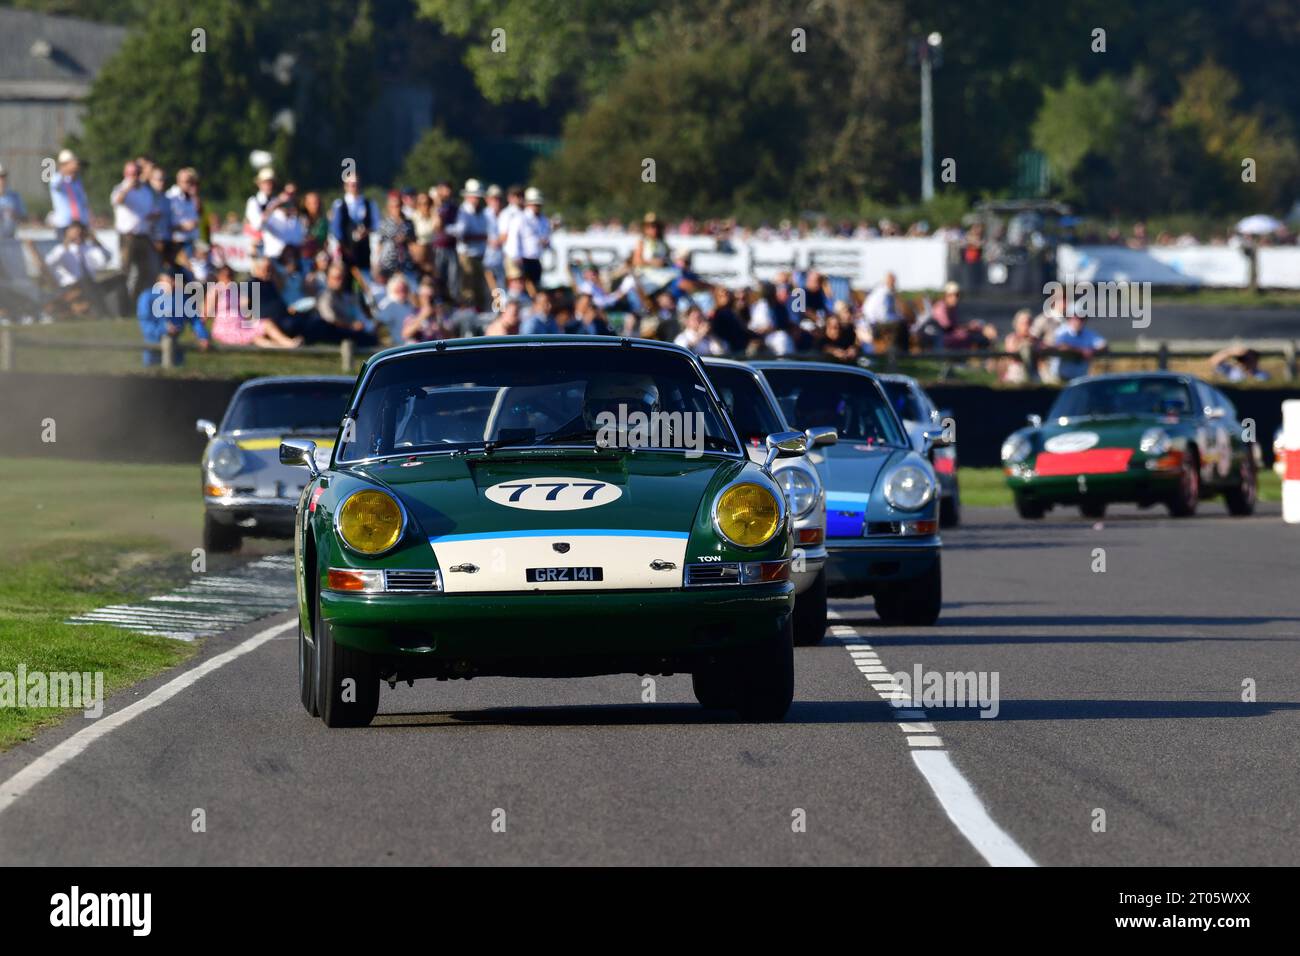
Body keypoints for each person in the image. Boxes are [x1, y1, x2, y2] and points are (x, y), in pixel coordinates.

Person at [206, 264, 301, 349]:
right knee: (256, 339)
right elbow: (206, 312)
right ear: (219, 276)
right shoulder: (215, 290)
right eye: (226, 276)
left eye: (230, 275)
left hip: (241, 324)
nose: (229, 278)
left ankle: (287, 344)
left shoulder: (237, 289)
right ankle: (285, 346)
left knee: (266, 323)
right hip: (226, 328)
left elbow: (245, 309)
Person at [137, 270, 210, 366]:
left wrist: (202, 336)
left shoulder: (182, 298)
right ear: (159, 280)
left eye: (174, 280)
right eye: (169, 280)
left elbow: (195, 319)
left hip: (176, 346)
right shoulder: (147, 297)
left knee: (176, 375)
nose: (173, 283)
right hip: (153, 346)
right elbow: (145, 323)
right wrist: (164, 329)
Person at [111, 160, 158, 304]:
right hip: (128, 236)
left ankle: (137, 301)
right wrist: (127, 188)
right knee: (126, 271)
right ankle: (123, 303)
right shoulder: (120, 188)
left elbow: (149, 211)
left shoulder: (145, 191)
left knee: (145, 271)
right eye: (132, 174)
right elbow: (117, 200)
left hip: (143, 235)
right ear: (126, 174)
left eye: (137, 174)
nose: (135, 177)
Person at [40, 221, 110, 317]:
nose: (78, 236)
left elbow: (106, 258)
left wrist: (95, 240)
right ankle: (97, 311)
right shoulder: (61, 249)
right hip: (69, 286)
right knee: (84, 284)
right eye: (75, 233)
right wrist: (66, 243)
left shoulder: (89, 248)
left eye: (80, 233)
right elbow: (49, 263)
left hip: (89, 284)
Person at [448, 179, 489, 311]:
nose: (477, 199)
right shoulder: (463, 211)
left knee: (479, 286)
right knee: (468, 287)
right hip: (466, 254)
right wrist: (479, 237)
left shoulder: (481, 212)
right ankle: (469, 311)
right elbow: (462, 234)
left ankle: (479, 310)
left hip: (479, 254)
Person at [315, 262, 377, 345]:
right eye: (337, 278)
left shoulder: (345, 296)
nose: (340, 281)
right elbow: (330, 319)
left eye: (342, 278)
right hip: (334, 332)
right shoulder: (325, 297)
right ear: (328, 279)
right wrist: (351, 325)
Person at [330, 173, 378, 273]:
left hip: (364, 251)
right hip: (346, 252)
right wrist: (344, 248)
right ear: (345, 186)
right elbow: (335, 230)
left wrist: (365, 232)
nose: (354, 187)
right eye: (351, 184)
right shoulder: (339, 205)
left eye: (357, 184)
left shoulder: (369, 203)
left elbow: (375, 225)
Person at [505, 187, 550, 293]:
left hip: (535, 258)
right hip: (522, 259)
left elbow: (546, 238)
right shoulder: (520, 218)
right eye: (534, 204)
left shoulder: (543, 220)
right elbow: (513, 239)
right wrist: (516, 256)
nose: (536, 207)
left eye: (538, 204)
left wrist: (546, 243)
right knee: (520, 288)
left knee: (536, 285)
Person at [1051, 312, 1107, 382]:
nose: (1078, 321)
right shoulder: (1061, 331)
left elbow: (1104, 346)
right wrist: (1082, 351)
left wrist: (1092, 351)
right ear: (1069, 319)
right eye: (1075, 319)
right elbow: (1061, 346)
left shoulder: (1089, 333)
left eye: (1082, 319)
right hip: (1060, 377)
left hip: (1080, 378)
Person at [48, 150, 90, 238]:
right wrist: (65, 170)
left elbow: (83, 201)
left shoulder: (77, 181)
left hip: (80, 223)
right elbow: (57, 187)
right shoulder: (56, 178)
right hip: (64, 224)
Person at [164, 168, 201, 269]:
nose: (190, 185)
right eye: (187, 182)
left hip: (190, 241)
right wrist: (182, 226)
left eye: (192, 182)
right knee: (182, 272)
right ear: (178, 181)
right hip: (176, 242)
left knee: (189, 274)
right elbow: (166, 222)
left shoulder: (190, 198)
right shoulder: (171, 197)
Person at [430, 181, 459, 300]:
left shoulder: (453, 207)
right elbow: (436, 226)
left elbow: (458, 228)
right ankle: (439, 300)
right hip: (437, 246)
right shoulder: (432, 206)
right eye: (445, 189)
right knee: (438, 276)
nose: (448, 192)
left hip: (451, 246)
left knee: (453, 277)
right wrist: (436, 205)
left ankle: (452, 300)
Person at [376, 190, 415, 276]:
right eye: (393, 206)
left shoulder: (408, 223)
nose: (396, 208)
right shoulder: (384, 223)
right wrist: (377, 263)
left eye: (398, 205)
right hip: (388, 263)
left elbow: (413, 241)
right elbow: (379, 243)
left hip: (405, 263)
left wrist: (405, 239)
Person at [375, 273, 415, 345]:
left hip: (409, 343)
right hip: (394, 346)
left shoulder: (410, 304)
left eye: (404, 289)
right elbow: (381, 326)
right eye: (399, 289)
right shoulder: (387, 304)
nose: (402, 292)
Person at [1001, 309, 1037, 384]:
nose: (1027, 326)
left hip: (1035, 375)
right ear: (1017, 324)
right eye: (1024, 323)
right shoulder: (1012, 338)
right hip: (1016, 375)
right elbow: (1011, 351)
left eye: (1030, 323)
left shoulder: (1035, 339)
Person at [482, 184, 506, 298]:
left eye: (498, 199)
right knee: (489, 288)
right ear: (487, 200)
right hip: (487, 257)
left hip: (502, 258)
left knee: (501, 287)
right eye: (493, 198)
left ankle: (499, 310)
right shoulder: (484, 215)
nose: (496, 202)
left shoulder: (506, 215)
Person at [0, 164, 27, 239]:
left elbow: (23, 216)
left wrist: (15, 215)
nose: (1, 180)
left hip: (10, 238)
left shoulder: (15, 196)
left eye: (3, 177)